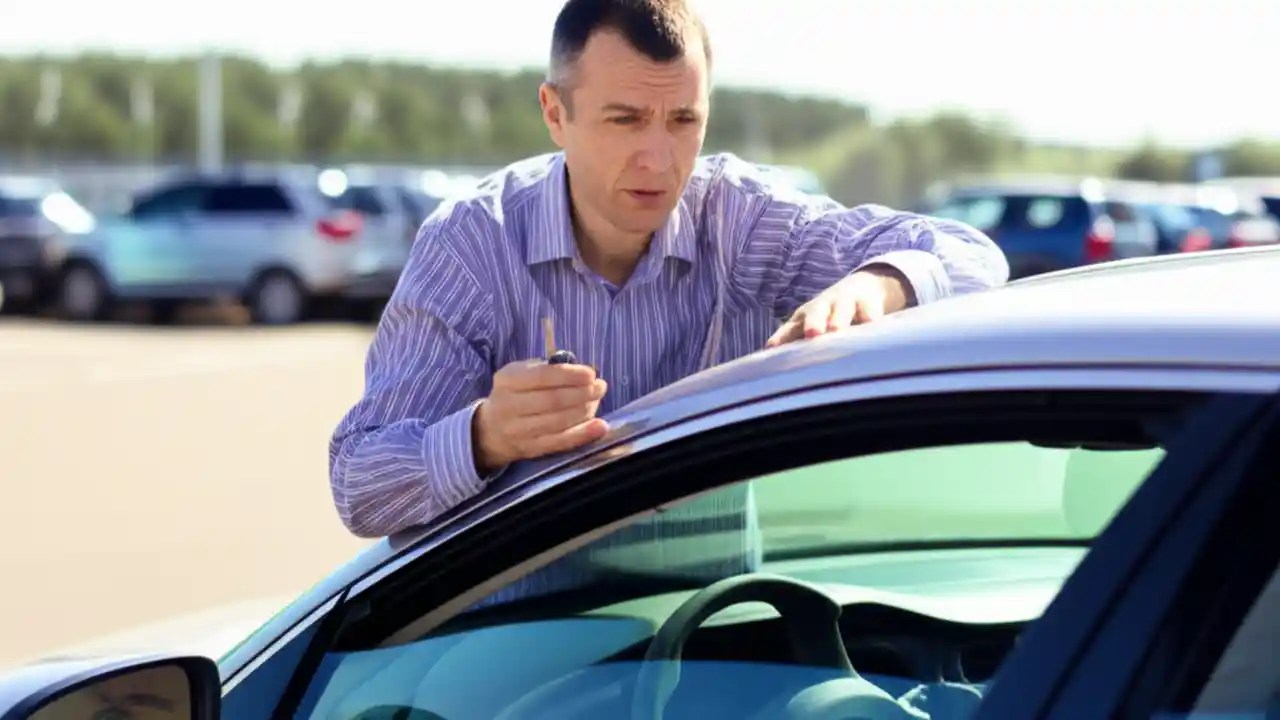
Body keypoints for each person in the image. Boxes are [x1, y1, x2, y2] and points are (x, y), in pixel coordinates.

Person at [328, 0, 1008, 598]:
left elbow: (972, 256)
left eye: (683, 119)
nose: (658, 159)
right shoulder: (474, 243)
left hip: (708, 631)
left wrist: (878, 283)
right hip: (522, 646)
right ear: (555, 113)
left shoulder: (740, 221)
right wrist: (485, 436)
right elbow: (360, 485)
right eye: (625, 120)